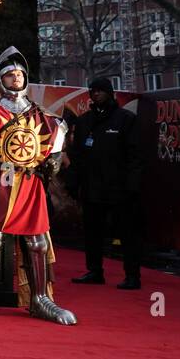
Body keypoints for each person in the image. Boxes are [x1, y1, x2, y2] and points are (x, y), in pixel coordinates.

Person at [0, 46, 76, 324]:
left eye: (19, 75)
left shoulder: (43, 117)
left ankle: (41, 299)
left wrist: (55, 161)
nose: (15, 79)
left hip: (29, 182)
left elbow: (55, 149)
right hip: (0, 181)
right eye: (9, 75)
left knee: (37, 241)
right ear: (0, 81)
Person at [67, 77, 144, 289]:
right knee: (92, 231)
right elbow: (77, 156)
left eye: (100, 91)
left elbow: (135, 155)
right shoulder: (84, 122)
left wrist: (132, 185)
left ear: (110, 93)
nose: (96, 94)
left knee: (127, 232)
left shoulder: (126, 119)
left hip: (120, 188)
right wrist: (73, 182)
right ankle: (94, 271)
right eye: (93, 91)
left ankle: (132, 275)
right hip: (92, 187)